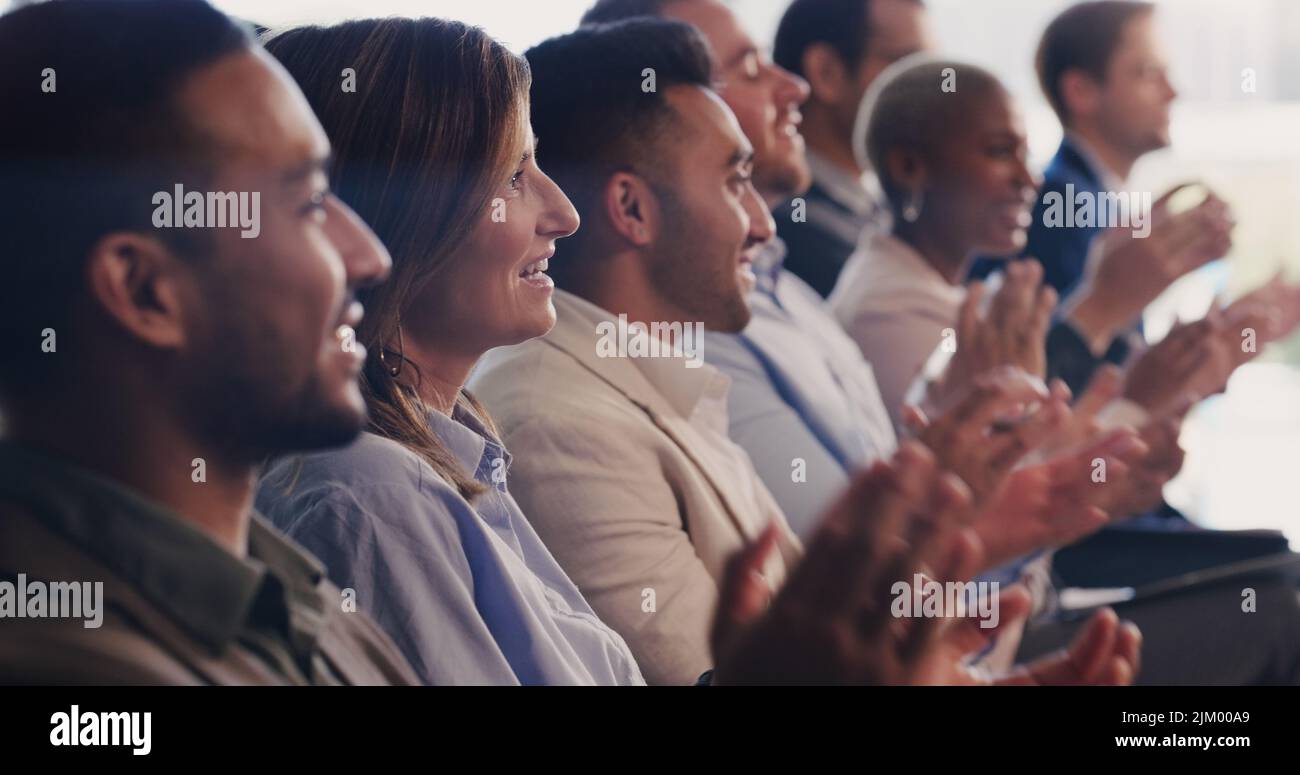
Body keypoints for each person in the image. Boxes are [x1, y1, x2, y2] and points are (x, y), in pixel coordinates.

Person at [0, 0, 416, 685]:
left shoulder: (291, 595)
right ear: (145, 293)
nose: (369, 256)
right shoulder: (74, 671)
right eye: (309, 203)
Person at [771, 0, 934, 297]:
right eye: (911, 68)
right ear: (827, 73)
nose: (937, 93)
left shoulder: (882, 202)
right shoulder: (791, 229)